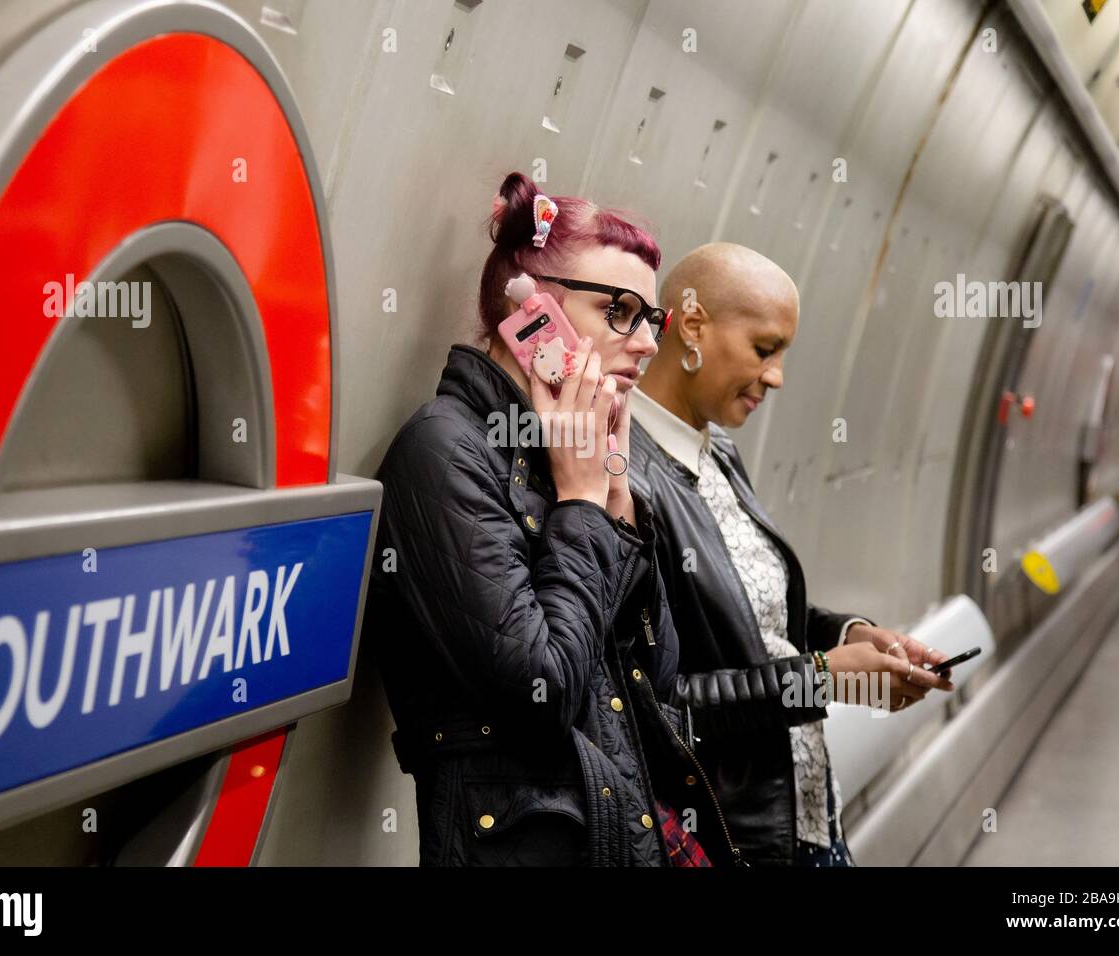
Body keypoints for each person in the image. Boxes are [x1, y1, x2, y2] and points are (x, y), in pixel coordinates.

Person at [364, 174, 740, 866]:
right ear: (534, 314)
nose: (648, 343)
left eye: (650, 320)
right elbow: (544, 693)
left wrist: (618, 502)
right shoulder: (443, 454)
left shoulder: (574, 458)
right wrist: (578, 506)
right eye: (620, 311)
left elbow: (655, 678)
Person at [630, 241, 954, 866]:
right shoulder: (630, 483)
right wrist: (825, 679)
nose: (776, 376)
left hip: (805, 820)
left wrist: (855, 635)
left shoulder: (715, 448)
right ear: (693, 325)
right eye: (764, 349)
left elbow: (753, 617)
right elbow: (664, 709)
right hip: (736, 843)